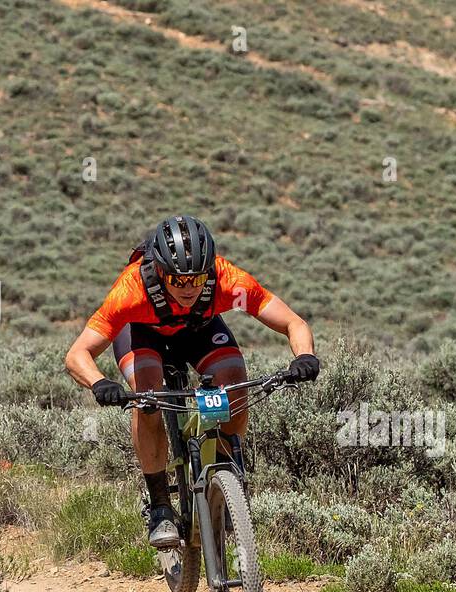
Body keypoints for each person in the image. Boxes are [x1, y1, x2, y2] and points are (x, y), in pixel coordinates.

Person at [65, 214, 319, 548]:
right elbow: (77, 354)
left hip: (200, 331)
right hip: (144, 334)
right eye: (177, 279)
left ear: (210, 271)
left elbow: (293, 323)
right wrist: (99, 383)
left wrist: (304, 356)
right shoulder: (131, 290)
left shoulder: (228, 280)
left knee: (235, 385)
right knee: (149, 397)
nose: (188, 287)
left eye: (197, 279)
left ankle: (225, 475)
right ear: (159, 270)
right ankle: (159, 506)